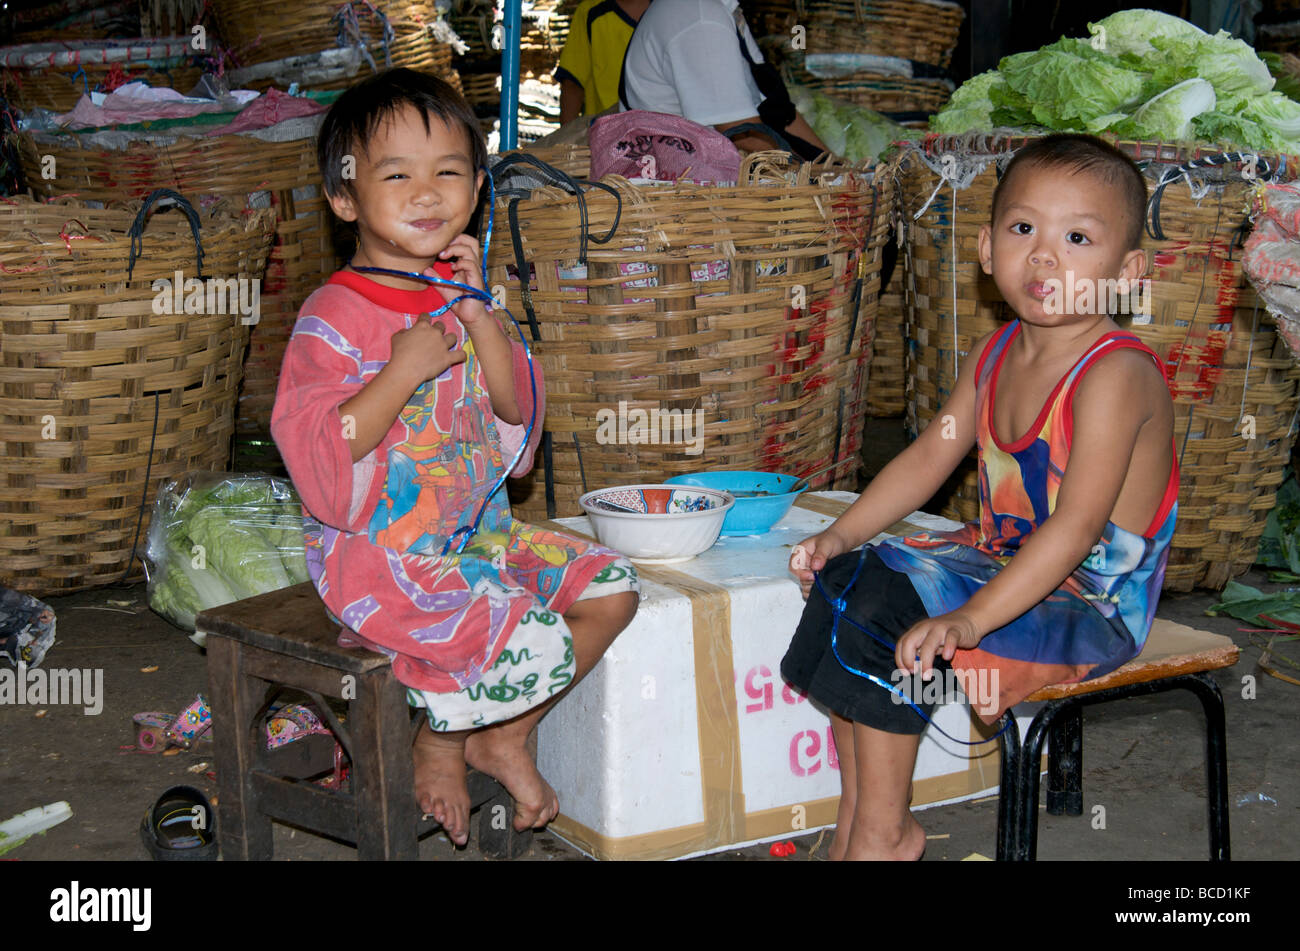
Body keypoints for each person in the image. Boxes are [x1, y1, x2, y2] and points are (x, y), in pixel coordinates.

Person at [270, 68, 640, 847]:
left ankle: (499, 731)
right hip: (384, 558)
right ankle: (438, 740)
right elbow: (318, 450)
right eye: (395, 174)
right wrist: (401, 369)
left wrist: (479, 315)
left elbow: (514, 412)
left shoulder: (461, 293)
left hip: (477, 539)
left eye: (448, 173)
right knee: (525, 630)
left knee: (610, 587)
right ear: (344, 198)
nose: (426, 193)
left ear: (476, 190)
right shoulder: (333, 314)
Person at [781, 133, 1177, 860]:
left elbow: (1077, 526)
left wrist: (969, 620)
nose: (1045, 255)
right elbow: (932, 455)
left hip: (1090, 599)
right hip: (1009, 564)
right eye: (1024, 228)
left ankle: (884, 834)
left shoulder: (1114, 374)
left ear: (1126, 273)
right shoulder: (996, 351)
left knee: (891, 606)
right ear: (987, 249)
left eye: (1078, 237)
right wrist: (840, 534)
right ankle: (861, 821)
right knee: (845, 583)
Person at [619, 0, 829, 158]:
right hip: (690, 194)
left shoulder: (723, 9)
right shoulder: (700, 17)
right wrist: (814, 177)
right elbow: (743, 134)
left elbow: (779, 111)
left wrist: (833, 165)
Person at [555, 0, 651, 124]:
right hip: (603, 135)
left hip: (663, 133)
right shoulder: (591, 12)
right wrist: (565, 138)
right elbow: (572, 84)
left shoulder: (669, 10)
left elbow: (572, 86)